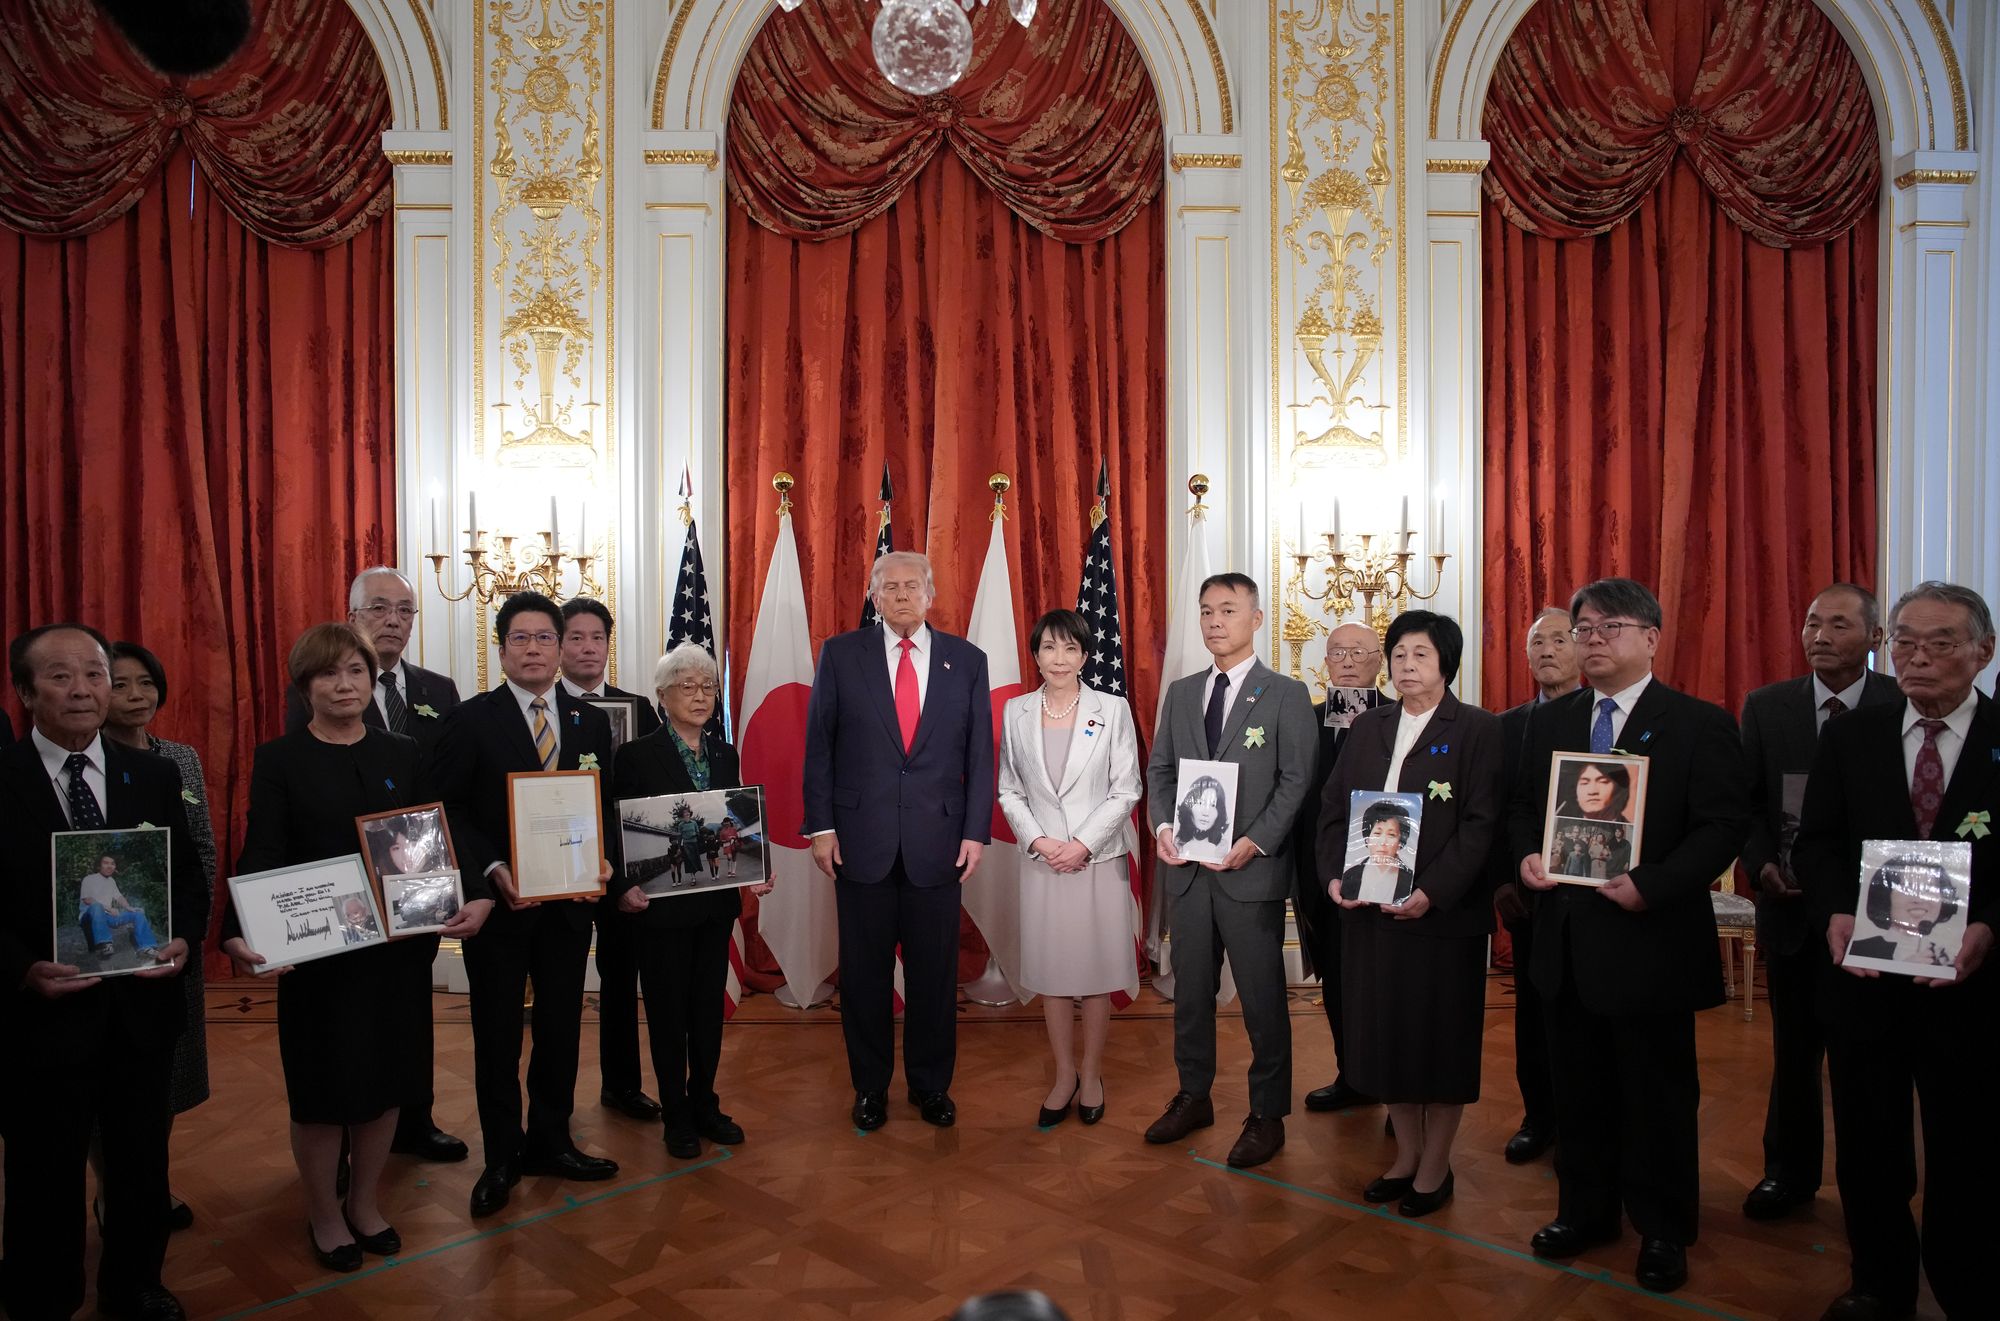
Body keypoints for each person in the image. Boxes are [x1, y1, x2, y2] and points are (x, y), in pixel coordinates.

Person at [219, 623, 483, 1274]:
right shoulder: (280, 759)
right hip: (318, 956)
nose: (344, 684)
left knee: (387, 1081)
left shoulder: (402, 752)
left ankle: (365, 1202)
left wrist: (462, 894)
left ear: (373, 680)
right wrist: (238, 923)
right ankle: (325, 1212)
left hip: (393, 953)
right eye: (329, 674)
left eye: (356, 672)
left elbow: (429, 838)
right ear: (306, 685)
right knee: (321, 1089)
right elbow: (263, 848)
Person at [1509, 578, 1748, 1295]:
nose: (1593, 640)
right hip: (1567, 940)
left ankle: (1664, 1226)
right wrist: (1526, 857)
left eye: (1609, 626)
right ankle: (1585, 1212)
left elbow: (1721, 827)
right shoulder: (1553, 722)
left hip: (1651, 940)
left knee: (1658, 1095)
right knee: (1576, 1089)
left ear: (1652, 635)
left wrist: (1656, 882)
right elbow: (1524, 811)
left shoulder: (1699, 723)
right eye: (1584, 628)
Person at [1793, 581, 1999, 1321]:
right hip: (1866, 981)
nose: (1917, 656)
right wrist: (1835, 912)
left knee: (1967, 1149)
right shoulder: (1854, 736)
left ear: (1984, 650)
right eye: (1905, 640)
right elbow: (1816, 842)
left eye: (1941, 641)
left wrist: (1990, 926)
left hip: (1972, 992)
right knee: (1870, 1148)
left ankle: (1962, 1279)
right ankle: (1878, 1278)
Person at [1, 623, 204, 1321]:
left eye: (95, 674)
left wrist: (182, 937)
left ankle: (136, 1285)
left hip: (139, 1012)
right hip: (40, 1019)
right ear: (26, 692)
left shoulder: (151, 773)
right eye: (60, 676)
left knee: (141, 1162)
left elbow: (188, 879)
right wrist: (23, 967)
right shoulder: (4, 779)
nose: (85, 690)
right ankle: (43, 1293)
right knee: (42, 1169)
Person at [425, 591, 620, 1218]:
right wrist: (491, 870)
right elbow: (449, 807)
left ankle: (553, 1140)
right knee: (498, 1034)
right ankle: (502, 1155)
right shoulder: (471, 719)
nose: (534, 649)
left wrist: (607, 859)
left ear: (562, 647)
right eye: (521, 639)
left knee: (562, 1027)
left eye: (545, 638)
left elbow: (605, 806)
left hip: (568, 907)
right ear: (502, 648)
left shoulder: (591, 722)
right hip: (502, 908)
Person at [1314, 611, 1502, 1217]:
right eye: (1397, 654)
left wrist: (1436, 890)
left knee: (1439, 1044)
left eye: (1420, 654)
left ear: (1447, 661)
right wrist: (1334, 877)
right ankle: (1405, 1156)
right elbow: (1334, 813)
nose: (1406, 665)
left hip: (1441, 921)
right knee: (1385, 1037)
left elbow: (1481, 828)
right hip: (1371, 915)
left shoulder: (1477, 730)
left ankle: (1437, 1165)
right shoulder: (1368, 728)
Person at [284, 565, 467, 1165]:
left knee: (407, 1022)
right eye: (379, 608)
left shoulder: (439, 691)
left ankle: (415, 1120)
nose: (393, 620)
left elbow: (446, 793)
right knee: (341, 1037)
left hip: (414, 885)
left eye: (405, 610)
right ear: (352, 614)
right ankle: (339, 1145)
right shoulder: (320, 683)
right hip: (336, 895)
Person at [804, 551, 992, 1130]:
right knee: (864, 976)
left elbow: (980, 756)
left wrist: (975, 833)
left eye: (913, 586)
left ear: (930, 595)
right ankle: (870, 1088)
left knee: (935, 975)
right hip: (860, 842)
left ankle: (931, 1086)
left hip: (939, 843)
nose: (903, 595)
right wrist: (822, 827)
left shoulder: (966, 661)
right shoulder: (841, 655)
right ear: (875, 596)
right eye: (891, 587)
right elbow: (820, 747)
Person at [1736, 584, 1897, 1222]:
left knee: (1873, 1061)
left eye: (1837, 624)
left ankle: (1882, 1186)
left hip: (1882, 915)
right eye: (1810, 623)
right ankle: (1788, 1172)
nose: (1819, 635)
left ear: (1875, 638)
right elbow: (1746, 803)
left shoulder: (1899, 703)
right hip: (1793, 913)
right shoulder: (1768, 707)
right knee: (1794, 1053)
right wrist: (1760, 864)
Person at [1144, 573, 1316, 1169]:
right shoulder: (1184, 692)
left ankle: (1267, 1114)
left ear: (1257, 619)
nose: (1215, 621)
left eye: (1228, 610)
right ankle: (1194, 1096)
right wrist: (1163, 828)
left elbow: (1296, 781)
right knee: (1190, 995)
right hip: (1189, 873)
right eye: (1207, 610)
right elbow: (1161, 771)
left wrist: (1257, 842)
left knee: (1262, 1000)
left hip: (1250, 873)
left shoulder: (1285, 693)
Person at [609, 643, 774, 1158]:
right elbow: (617, 829)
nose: (701, 696)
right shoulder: (636, 756)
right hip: (660, 912)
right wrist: (621, 887)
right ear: (663, 696)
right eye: (688, 686)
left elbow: (739, 825)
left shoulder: (725, 753)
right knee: (667, 1012)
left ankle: (706, 1101)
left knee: (706, 1011)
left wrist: (756, 866)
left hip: (714, 907)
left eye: (707, 686)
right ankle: (676, 1113)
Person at [996, 609, 1142, 1128]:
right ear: (1036, 655)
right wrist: (1038, 840)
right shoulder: (1015, 711)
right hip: (1042, 861)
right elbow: (1009, 789)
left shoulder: (1112, 710)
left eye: (1070, 649)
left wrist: (1082, 843)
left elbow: (1128, 787)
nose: (1059, 659)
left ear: (1084, 655)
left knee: (1096, 973)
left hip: (1096, 860)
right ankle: (1063, 1075)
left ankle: (1093, 1072)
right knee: (1055, 974)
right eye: (1049, 649)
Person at [106, 640, 217, 1229]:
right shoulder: (85, 767)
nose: (134, 696)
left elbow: (201, 846)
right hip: (110, 943)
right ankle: (116, 1191)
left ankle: (151, 1179)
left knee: (168, 1072)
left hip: (173, 942)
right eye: (119, 684)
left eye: (145, 683)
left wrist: (192, 929)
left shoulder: (181, 758)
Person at [557, 597, 668, 1127]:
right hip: (562, 866)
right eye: (575, 637)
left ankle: (622, 1085)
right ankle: (553, 1106)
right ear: (559, 645)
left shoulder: (640, 708)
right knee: (560, 982)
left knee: (622, 977)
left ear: (608, 643)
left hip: (623, 869)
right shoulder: (540, 705)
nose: (587, 647)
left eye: (596, 637)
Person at [1293, 622, 1388, 1113]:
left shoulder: (1400, 717)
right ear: (1324, 662)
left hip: (1389, 871)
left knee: (1388, 982)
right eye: (1337, 653)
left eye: (1358, 652)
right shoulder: (1304, 721)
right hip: (1322, 874)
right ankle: (1350, 1074)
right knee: (1336, 978)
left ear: (1380, 661)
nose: (1347, 661)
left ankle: (1398, 1091)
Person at [1845, 858, 1959, 965]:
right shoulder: (1860, 950)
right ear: (1885, 896)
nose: (1918, 899)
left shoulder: (1950, 956)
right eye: (1907, 889)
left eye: (1929, 889)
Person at [76, 854, 163, 959]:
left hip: (108, 917)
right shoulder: (89, 879)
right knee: (97, 906)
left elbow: (119, 896)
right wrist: (108, 908)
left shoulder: (111, 881)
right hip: (90, 916)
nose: (109, 866)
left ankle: (146, 948)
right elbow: (87, 899)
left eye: (112, 864)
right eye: (106, 863)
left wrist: (128, 907)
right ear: (99, 866)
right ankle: (105, 945)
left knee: (137, 914)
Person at [1339, 799, 1416, 904]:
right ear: (1367, 838)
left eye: (1391, 835)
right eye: (1377, 833)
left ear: (1401, 841)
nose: (1383, 842)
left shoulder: (1411, 881)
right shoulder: (1350, 875)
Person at [1173, 775, 1231, 852]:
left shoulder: (1224, 848)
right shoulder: (1175, 843)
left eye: (1213, 805)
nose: (1205, 813)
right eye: (1200, 803)